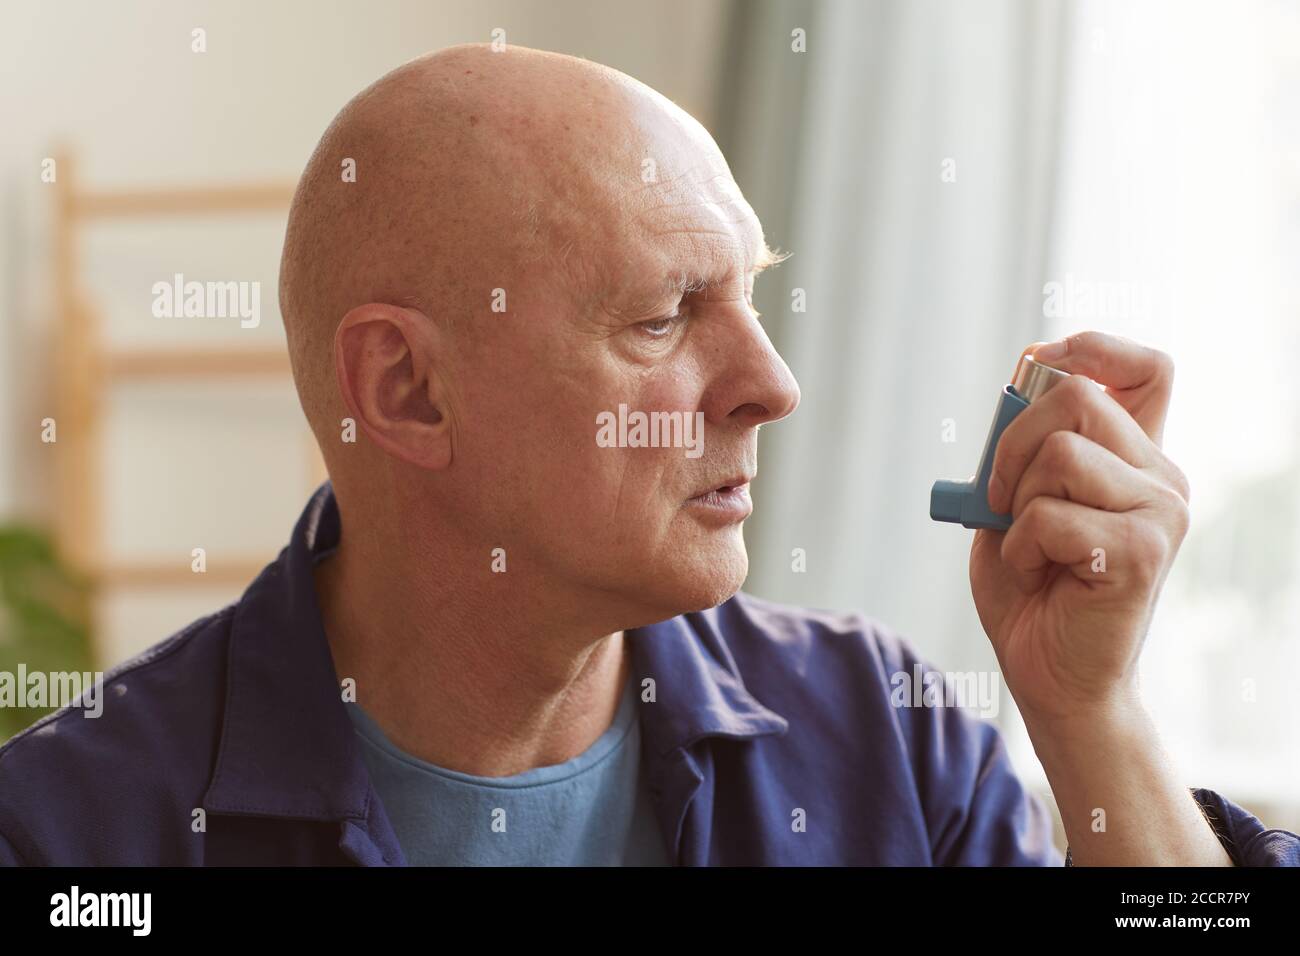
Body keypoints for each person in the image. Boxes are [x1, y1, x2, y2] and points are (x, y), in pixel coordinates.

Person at [1, 44, 1294, 866]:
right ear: (407, 391)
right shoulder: (66, 837)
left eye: (752, 296)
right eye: (665, 315)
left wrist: (1090, 714)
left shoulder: (887, 748)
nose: (773, 387)